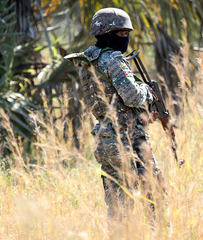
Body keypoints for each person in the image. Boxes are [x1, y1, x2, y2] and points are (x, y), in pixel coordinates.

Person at [64, 7, 166, 235]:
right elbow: (131, 95)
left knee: (118, 210)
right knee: (155, 201)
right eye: (120, 33)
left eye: (126, 33)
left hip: (104, 139)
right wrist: (148, 93)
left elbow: (113, 102)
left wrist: (145, 115)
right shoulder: (113, 59)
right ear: (107, 34)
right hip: (127, 140)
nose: (125, 37)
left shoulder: (88, 61)